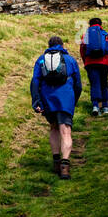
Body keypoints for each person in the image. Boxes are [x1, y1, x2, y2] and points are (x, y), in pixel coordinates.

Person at [31, 35, 82, 179]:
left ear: (49, 45)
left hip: (48, 98)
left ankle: (55, 162)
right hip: (65, 98)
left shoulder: (41, 60)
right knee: (65, 132)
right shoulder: (70, 60)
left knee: (53, 128)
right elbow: (78, 84)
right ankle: (65, 167)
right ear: (62, 45)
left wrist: (36, 101)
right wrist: (74, 100)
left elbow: (35, 81)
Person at [78, 16, 108, 117]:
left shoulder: (85, 35)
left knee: (94, 84)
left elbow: (82, 50)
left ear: (90, 25)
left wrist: (86, 62)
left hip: (90, 63)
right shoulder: (105, 34)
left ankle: (95, 106)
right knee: (104, 83)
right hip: (104, 63)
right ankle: (105, 107)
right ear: (100, 24)